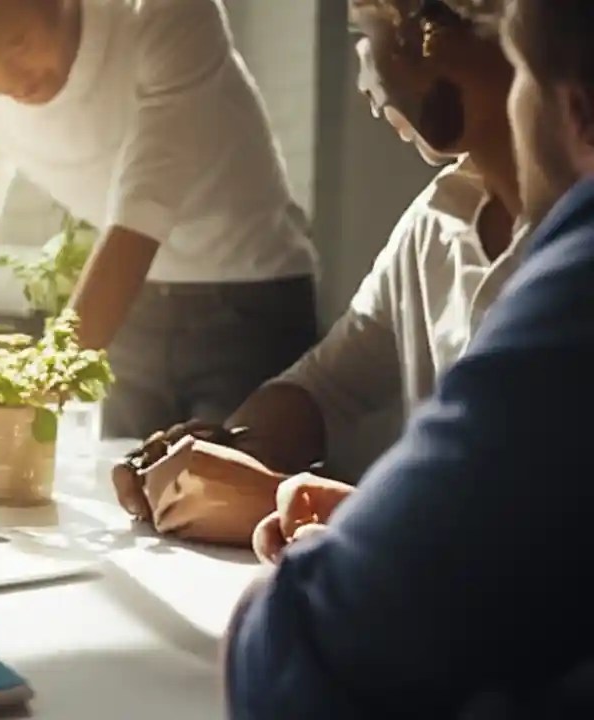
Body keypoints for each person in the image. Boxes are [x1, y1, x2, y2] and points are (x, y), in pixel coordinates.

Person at [225, 0, 594, 715]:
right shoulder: (435, 218)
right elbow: (328, 379)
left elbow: (295, 653)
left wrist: (369, 559)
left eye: (520, 71)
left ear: (575, 112)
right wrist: (390, 520)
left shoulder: (573, 277)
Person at [111, 0, 525, 544]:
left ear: (439, 35)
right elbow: (328, 383)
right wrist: (227, 452)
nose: (365, 79)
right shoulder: (435, 223)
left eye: (367, 31)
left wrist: (292, 506)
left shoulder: (570, 243)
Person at [0, 0, 320, 440]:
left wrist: (24, 406)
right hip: (132, 310)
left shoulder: (165, 14)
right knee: (127, 494)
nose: (2, 80)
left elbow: (140, 213)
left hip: (251, 303)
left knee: (233, 498)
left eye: (16, 42)